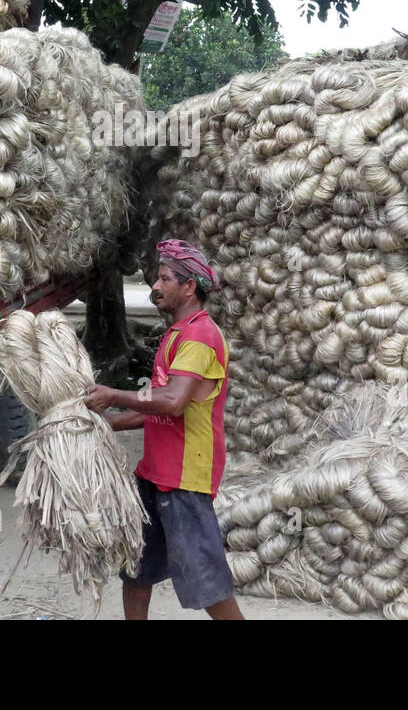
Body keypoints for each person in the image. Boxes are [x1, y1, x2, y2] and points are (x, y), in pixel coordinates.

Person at [85, 239, 244, 620]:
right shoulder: (176, 334)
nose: (156, 286)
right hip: (155, 475)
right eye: (156, 278)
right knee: (136, 567)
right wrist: (108, 425)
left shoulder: (200, 336)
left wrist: (111, 395)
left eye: (166, 279)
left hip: (185, 479)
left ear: (190, 287)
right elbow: (159, 408)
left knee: (206, 582)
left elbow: (171, 401)